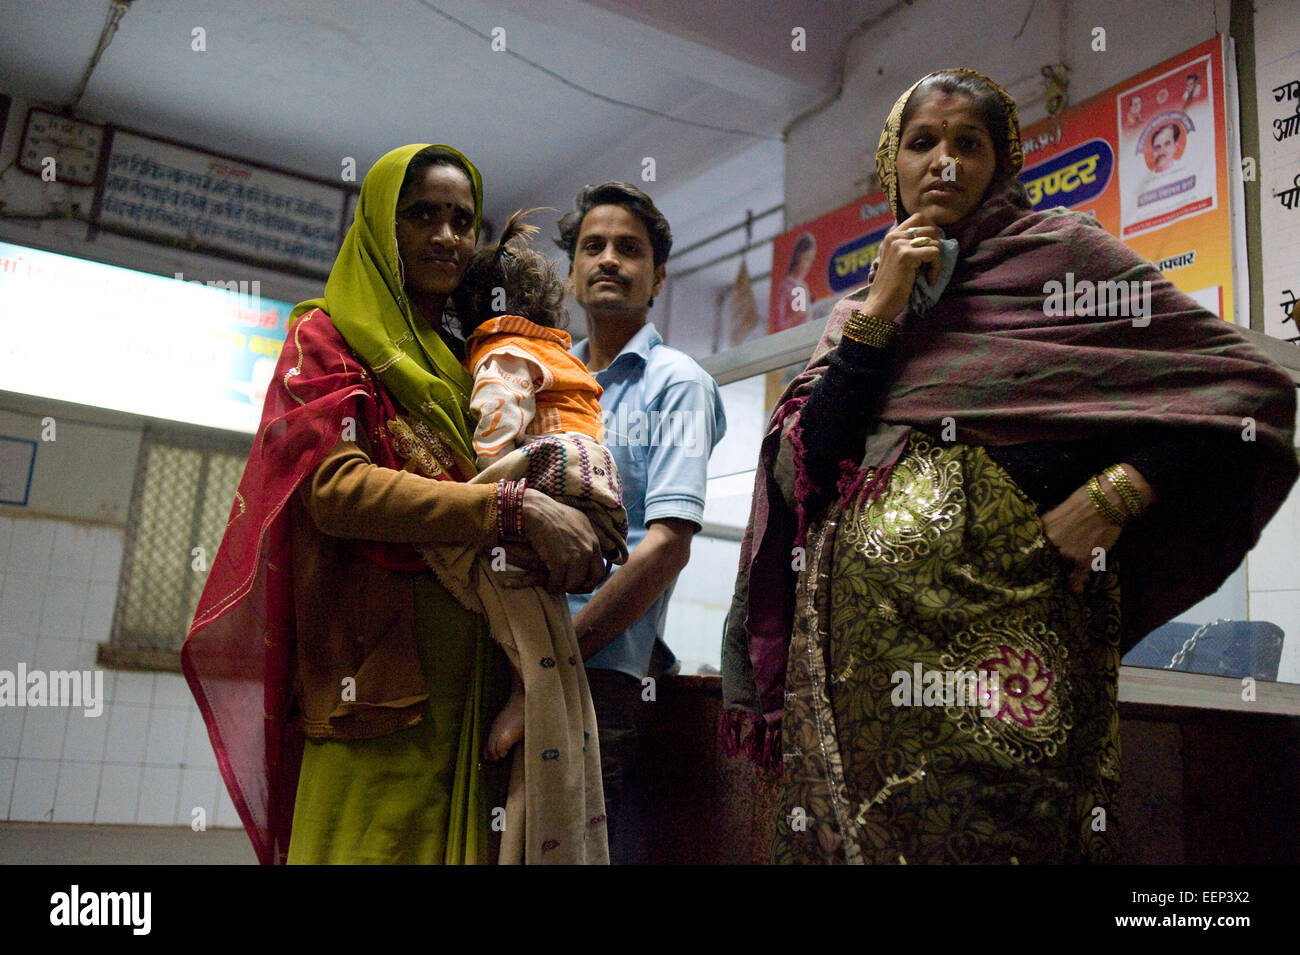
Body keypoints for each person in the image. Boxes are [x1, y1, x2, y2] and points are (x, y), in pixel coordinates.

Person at [720, 70, 1298, 864]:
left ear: (1004, 162)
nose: (945, 163)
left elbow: (1243, 392)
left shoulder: (1065, 264)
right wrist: (883, 311)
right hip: (856, 687)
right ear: (893, 163)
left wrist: (1116, 491)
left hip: (1006, 667)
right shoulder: (861, 310)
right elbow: (811, 463)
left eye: (970, 143)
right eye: (923, 143)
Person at [183, 144, 608, 865]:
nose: (447, 236)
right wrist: (512, 508)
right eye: (423, 216)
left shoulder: (467, 361)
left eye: (461, 219)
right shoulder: (324, 342)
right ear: (384, 227)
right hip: (372, 691)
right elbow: (337, 491)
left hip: (472, 687)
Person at [556, 182, 727, 863]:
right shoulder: (546, 377)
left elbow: (664, 548)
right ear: (570, 273)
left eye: (629, 249)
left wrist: (560, 651)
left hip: (596, 670)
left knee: (565, 848)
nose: (607, 260)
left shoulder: (675, 381)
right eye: (591, 247)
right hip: (508, 653)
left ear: (657, 278)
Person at [446, 209, 625, 765]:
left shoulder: (503, 350)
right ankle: (538, 687)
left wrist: (484, 479)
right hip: (594, 483)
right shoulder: (557, 350)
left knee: (486, 573)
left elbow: (499, 411)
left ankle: (527, 690)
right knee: (539, 597)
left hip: (550, 471)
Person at [770, 232, 817, 333]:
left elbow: (808, 320)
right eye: (806, 259)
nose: (808, 265)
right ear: (798, 256)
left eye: (811, 260)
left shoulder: (804, 287)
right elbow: (777, 328)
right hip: (791, 341)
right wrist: (794, 317)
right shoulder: (785, 287)